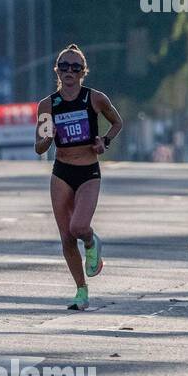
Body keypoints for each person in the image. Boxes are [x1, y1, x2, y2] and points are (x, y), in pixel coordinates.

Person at [34, 44, 123, 311]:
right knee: (66, 237)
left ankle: (91, 241)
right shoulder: (47, 105)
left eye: (75, 67)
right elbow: (39, 147)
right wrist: (48, 137)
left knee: (79, 227)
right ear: (57, 71)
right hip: (61, 172)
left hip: (88, 171)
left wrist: (104, 141)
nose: (69, 71)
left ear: (83, 72)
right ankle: (81, 290)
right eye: (64, 66)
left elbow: (117, 122)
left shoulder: (95, 99)